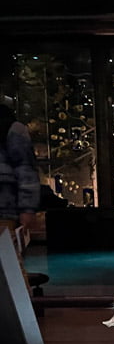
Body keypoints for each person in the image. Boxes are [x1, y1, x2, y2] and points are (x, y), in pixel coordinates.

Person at [0, 102, 40, 242]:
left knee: (7, 254)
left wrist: (27, 208)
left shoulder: (10, 127)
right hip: (6, 208)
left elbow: (26, 170)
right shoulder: (12, 127)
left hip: (6, 210)